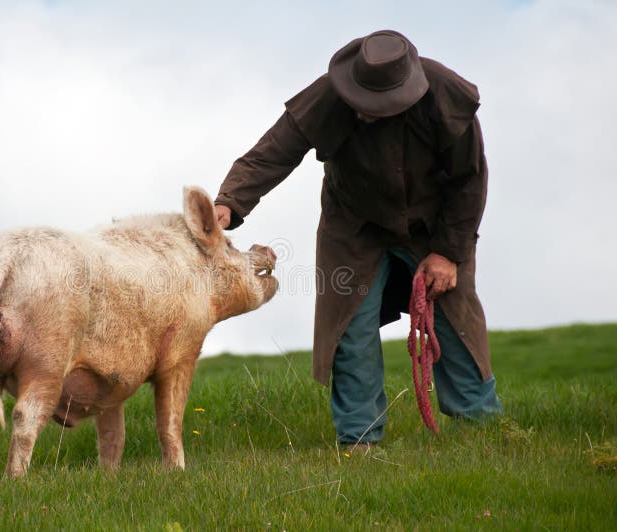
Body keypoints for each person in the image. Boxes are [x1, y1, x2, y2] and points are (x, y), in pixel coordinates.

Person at [214, 29, 502, 445]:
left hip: (435, 229)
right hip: (353, 228)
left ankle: (482, 433)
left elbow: (469, 180)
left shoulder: (445, 94)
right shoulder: (327, 95)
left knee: (457, 324)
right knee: (350, 329)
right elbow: (273, 152)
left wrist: (448, 253)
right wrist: (230, 201)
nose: (365, 111)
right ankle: (360, 442)